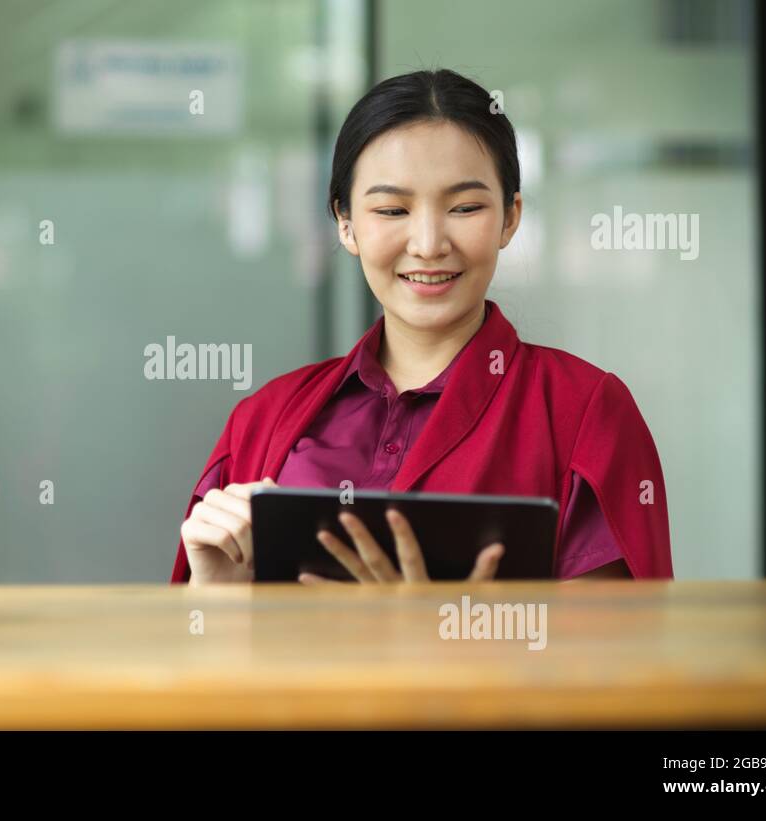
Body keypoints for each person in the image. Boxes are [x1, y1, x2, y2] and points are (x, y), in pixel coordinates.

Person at [172, 68, 673, 586]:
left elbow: (618, 656)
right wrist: (213, 597)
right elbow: (201, 659)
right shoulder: (262, 419)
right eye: (392, 209)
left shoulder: (584, 414)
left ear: (509, 218)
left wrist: (440, 635)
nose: (429, 243)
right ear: (345, 222)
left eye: (465, 207)